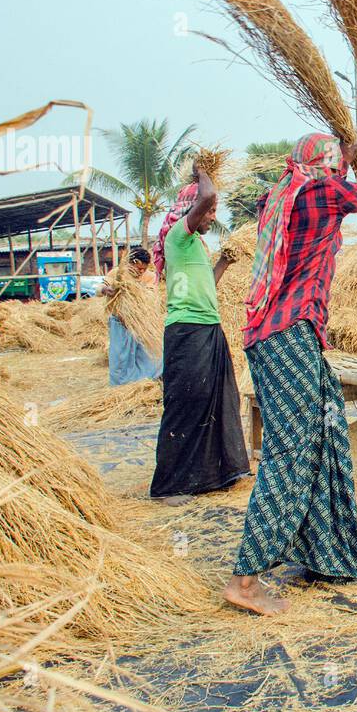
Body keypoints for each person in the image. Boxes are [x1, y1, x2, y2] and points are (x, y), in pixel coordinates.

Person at [224, 92, 357, 616]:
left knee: (327, 426)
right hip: (289, 335)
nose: (340, 171)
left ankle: (324, 552)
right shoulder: (323, 192)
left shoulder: (282, 193)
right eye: (337, 165)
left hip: (275, 336)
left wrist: (343, 157)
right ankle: (245, 579)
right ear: (326, 167)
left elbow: (323, 191)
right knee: (290, 450)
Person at [147, 160, 251, 502]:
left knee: (217, 401)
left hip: (208, 329)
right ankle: (169, 485)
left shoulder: (196, 247)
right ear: (192, 208)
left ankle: (213, 474)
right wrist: (202, 171)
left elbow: (208, 285)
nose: (212, 216)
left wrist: (224, 262)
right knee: (185, 404)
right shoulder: (179, 234)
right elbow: (207, 194)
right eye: (209, 211)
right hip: (187, 332)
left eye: (214, 212)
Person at [100, 247, 160, 386]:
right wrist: (106, 290)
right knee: (121, 355)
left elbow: (150, 296)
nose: (141, 272)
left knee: (145, 354)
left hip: (141, 321)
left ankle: (144, 381)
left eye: (143, 269)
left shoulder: (150, 277)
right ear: (130, 263)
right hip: (120, 321)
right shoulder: (117, 273)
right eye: (138, 268)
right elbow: (101, 287)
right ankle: (120, 385)